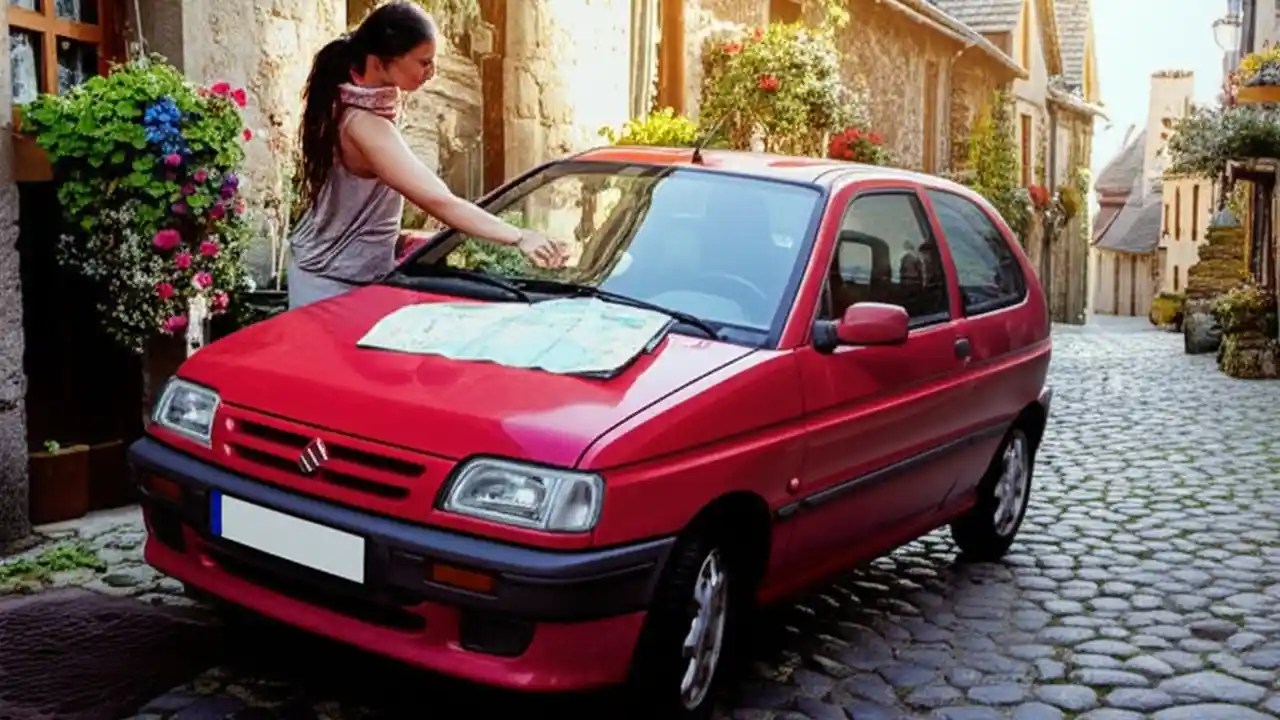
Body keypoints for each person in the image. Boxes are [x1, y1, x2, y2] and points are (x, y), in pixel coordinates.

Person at [287, 1, 567, 309]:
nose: (432, 72)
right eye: (424, 62)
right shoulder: (363, 124)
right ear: (382, 60)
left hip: (350, 272)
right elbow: (439, 201)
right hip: (328, 280)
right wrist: (519, 237)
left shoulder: (360, 94)